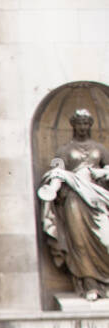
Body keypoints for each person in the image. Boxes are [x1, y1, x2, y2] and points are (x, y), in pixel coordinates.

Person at [38, 109, 109, 300]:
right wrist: (52, 189)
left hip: (97, 199)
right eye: (79, 123)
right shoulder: (62, 151)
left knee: (105, 239)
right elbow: (55, 170)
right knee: (79, 243)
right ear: (73, 125)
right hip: (75, 201)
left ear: (90, 125)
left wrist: (104, 173)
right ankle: (90, 285)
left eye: (86, 123)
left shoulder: (100, 149)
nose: (83, 127)